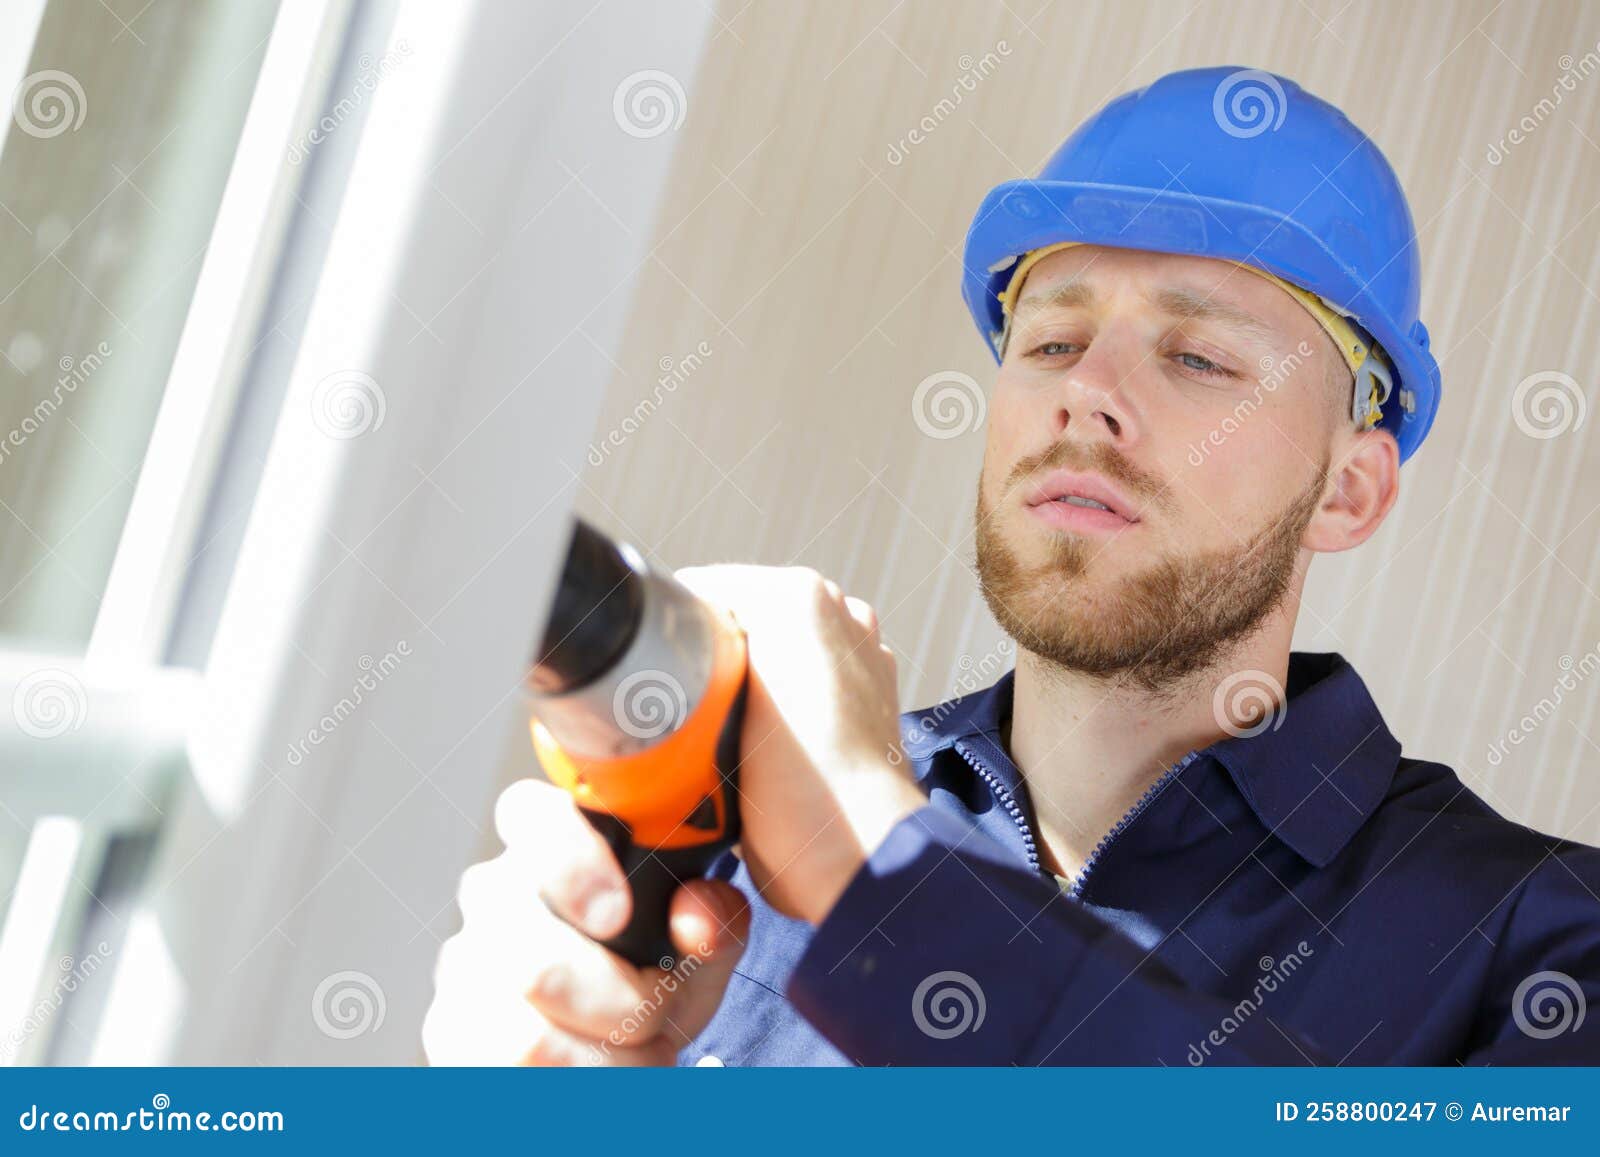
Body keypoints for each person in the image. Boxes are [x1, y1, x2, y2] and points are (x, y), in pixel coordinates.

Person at [423, 67, 1600, 1066]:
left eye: (1196, 356)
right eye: (1052, 339)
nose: (1086, 390)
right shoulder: (732, 870)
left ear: (1347, 489)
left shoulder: (1544, 954)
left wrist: (876, 867)